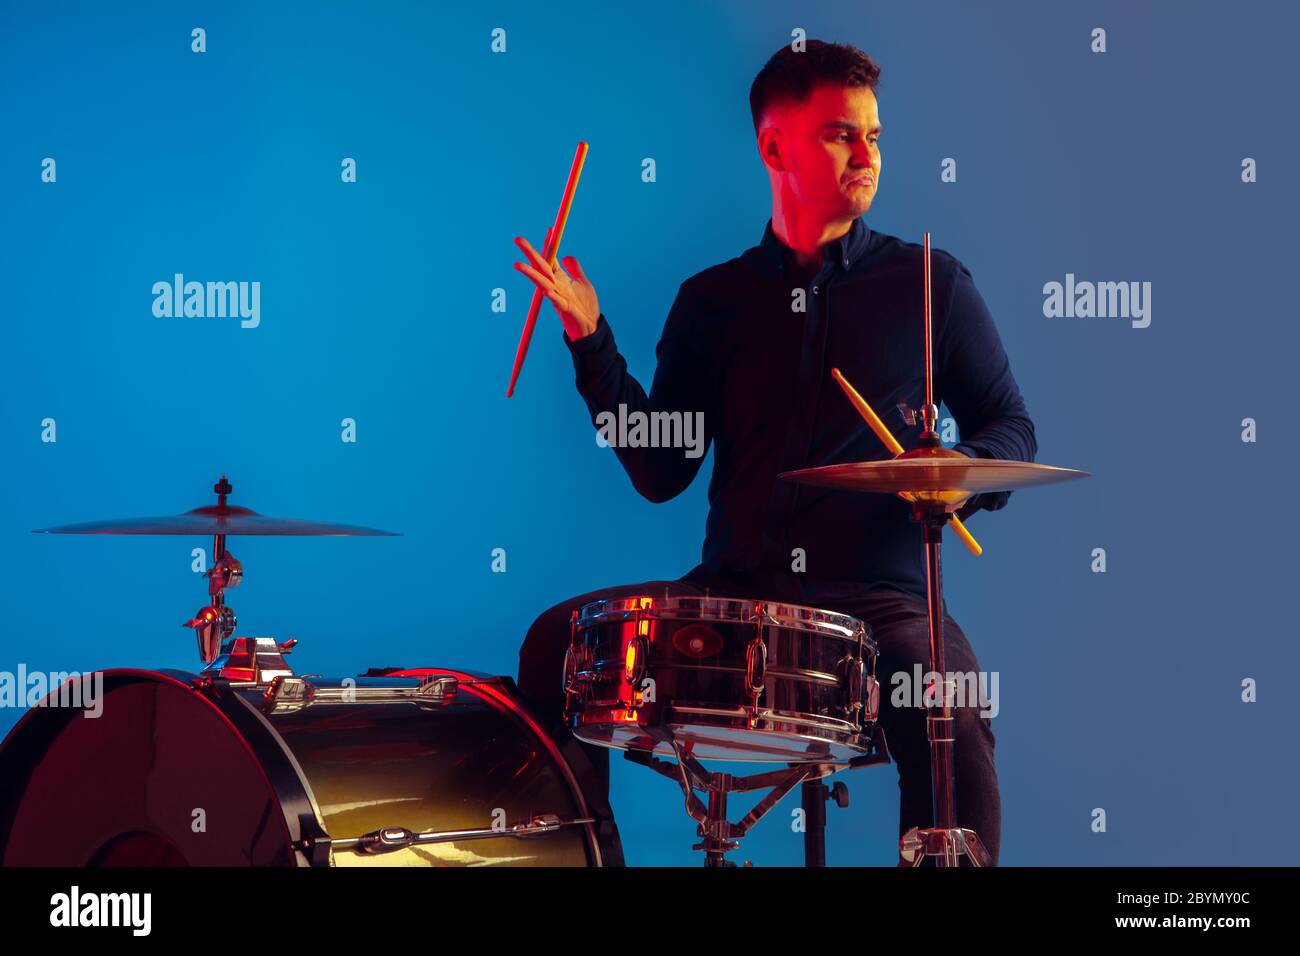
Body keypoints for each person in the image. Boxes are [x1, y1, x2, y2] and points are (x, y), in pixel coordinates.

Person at [510, 40, 1036, 866]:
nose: (868, 156)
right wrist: (590, 341)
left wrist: (952, 476)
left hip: (879, 605)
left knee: (950, 708)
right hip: (735, 592)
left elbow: (1012, 429)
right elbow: (662, 469)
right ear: (774, 147)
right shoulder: (713, 300)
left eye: (874, 136)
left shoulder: (931, 284)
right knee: (555, 644)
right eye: (841, 135)